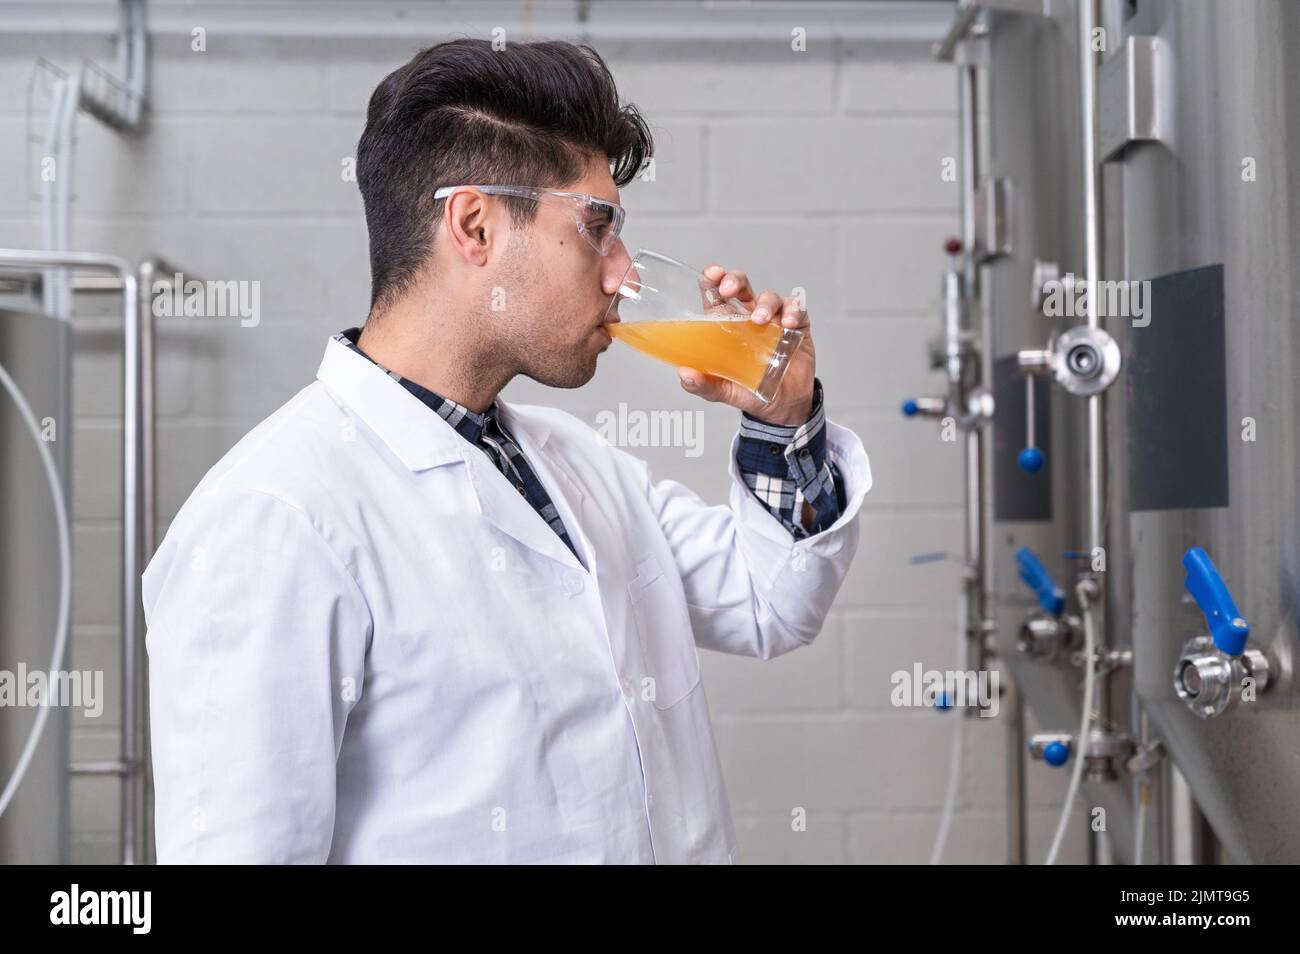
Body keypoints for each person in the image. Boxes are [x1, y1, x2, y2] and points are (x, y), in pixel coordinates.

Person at [143, 38, 872, 863]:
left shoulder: (572, 464)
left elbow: (769, 601)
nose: (624, 274)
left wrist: (783, 419)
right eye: (598, 227)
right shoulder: (273, 518)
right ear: (476, 225)